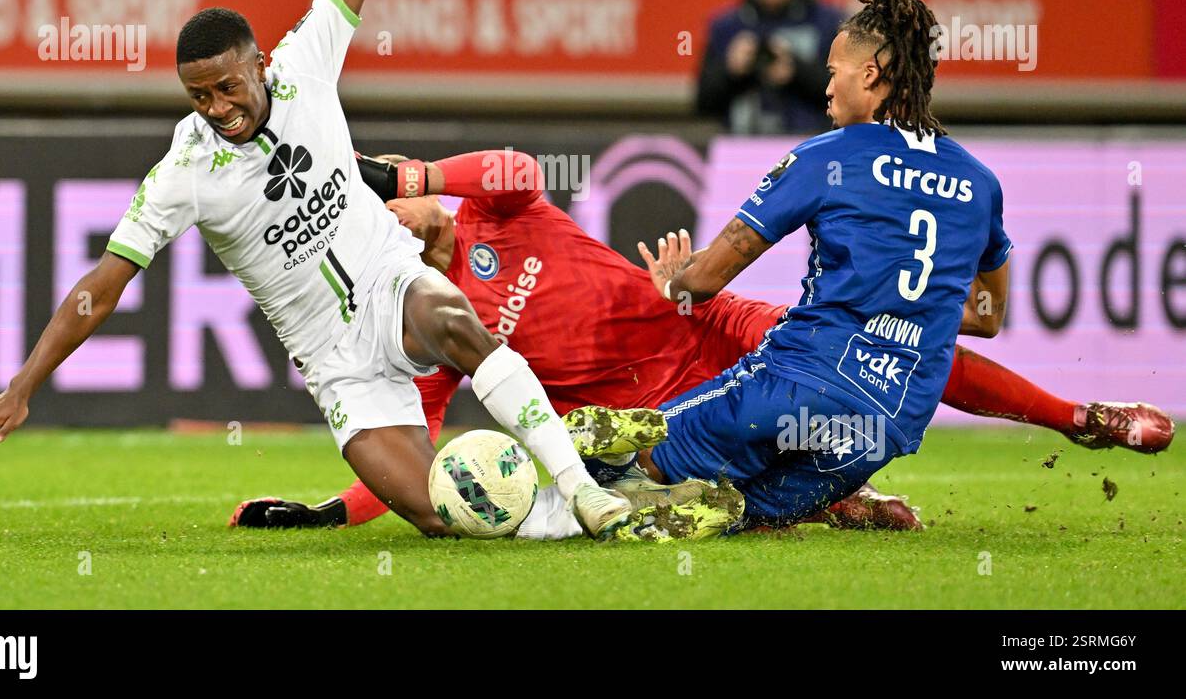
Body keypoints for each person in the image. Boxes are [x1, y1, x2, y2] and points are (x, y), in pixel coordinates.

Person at [0, 0, 645, 542]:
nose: (217, 106)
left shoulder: (304, 65)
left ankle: (579, 486)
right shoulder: (186, 167)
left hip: (389, 281)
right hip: (333, 361)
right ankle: (581, 509)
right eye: (198, 94)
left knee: (454, 321)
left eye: (226, 85)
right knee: (443, 517)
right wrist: (20, 388)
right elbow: (102, 286)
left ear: (257, 63)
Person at [231, 146, 1172, 537]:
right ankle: (833, 498)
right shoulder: (427, 324)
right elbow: (415, 461)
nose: (395, 221)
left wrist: (405, 166)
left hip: (697, 319)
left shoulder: (492, 202)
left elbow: (519, 166)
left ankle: (1078, 414)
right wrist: (326, 515)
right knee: (706, 496)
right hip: (641, 417)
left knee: (886, 345)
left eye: (385, 203)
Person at [624, 0, 1030, 529]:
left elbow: (706, 282)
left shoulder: (828, 157)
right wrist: (911, 312)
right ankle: (820, 505)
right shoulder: (979, 182)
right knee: (743, 516)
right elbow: (987, 318)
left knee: (630, 457)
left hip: (799, 384)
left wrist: (674, 282)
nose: (826, 89)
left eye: (833, 73)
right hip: (891, 422)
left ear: (870, 75)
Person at [696, 0, 844, 135]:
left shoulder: (828, 24)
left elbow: (846, 95)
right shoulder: (725, 27)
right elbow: (702, 102)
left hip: (809, 149)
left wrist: (795, 72)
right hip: (740, 154)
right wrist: (731, 72)